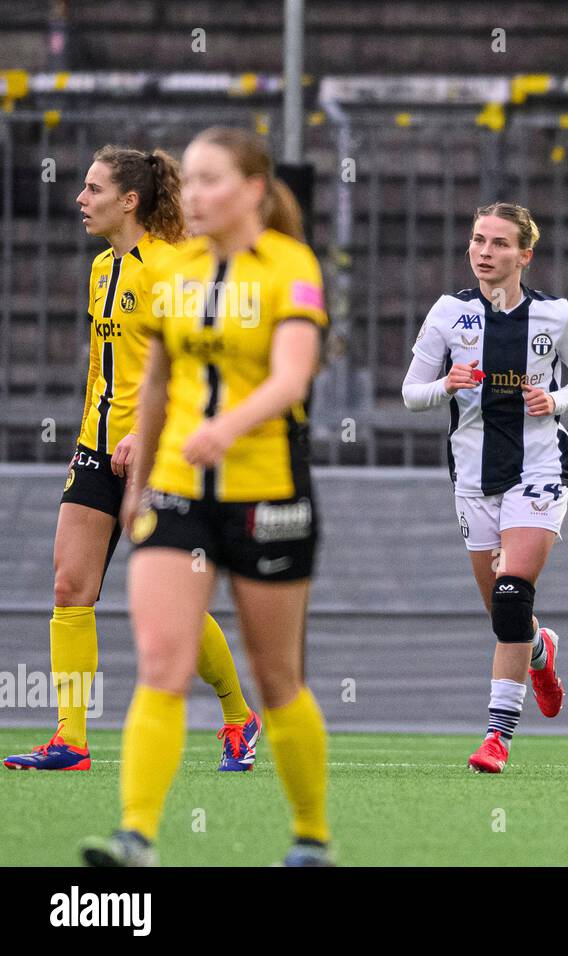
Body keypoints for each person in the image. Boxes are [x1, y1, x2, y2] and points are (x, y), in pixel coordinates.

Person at [80, 127, 332, 866]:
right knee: (161, 662)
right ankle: (137, 837)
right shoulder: (173, 269)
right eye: (188, 179)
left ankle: (312, 835)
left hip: (268, 490)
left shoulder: (292, 266)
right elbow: (154, 381)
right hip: (179, 490)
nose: (194, 194)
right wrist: (142, 479)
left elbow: (291, 377)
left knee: (278, 678)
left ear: (253, 188)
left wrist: (227, 428)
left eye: (212, 179)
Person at [4, 146, 260, 775]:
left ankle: (237, 714)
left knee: (168, 604)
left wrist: (151, 436)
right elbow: (101, 366)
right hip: (96, 450)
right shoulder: (101, 269)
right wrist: (91, 432)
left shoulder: (173, 268)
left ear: (129, 200)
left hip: (162, 454)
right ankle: (71, 739)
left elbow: (203, 367)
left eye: (92, 189)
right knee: (70, 585)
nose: (80, 199)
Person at [403, 202, 568, 774]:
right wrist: (445, 383)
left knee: (513, 594)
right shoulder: (448, 314)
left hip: (538, 466)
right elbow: (411, 393)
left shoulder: (557, 317)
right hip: (472, 475)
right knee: (502, 612)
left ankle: (497, 737)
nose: (484, 252)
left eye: (498, 243)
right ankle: (539, 650)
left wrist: (556, 400)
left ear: (524, 255)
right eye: (477, 240)